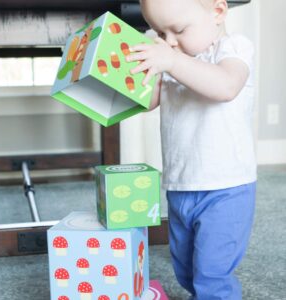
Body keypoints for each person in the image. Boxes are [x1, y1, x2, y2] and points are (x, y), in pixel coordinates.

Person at [126, 0, 256, 299]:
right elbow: (148, 102)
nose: (169, 42)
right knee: (185, 268)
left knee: (212, 273)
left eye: (179, 29)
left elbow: (225, 87)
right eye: (160, 32)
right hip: (180, 184)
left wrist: (170, 61)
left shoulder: (233, 49)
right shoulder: (174, 56)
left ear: (217, 12)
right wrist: (140, 70)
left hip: (227, 187)